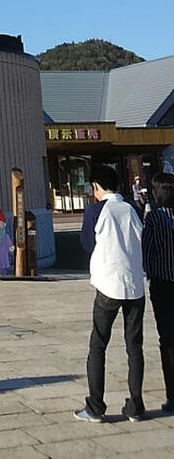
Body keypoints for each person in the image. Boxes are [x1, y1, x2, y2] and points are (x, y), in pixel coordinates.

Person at [74, 163, 146, 423]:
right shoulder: (132, 208)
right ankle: (136, 406)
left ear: (96, 187)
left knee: (98, 345)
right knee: (134, 346)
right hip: (135, 284)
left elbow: (86, 244)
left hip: (108, 285)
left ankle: (95, 406)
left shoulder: (96, 210)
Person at [142, 171, 174, 413]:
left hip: (163, 284)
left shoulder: (154, 219)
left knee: (168, 339)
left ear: (156, 193)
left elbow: (147, 251)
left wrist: (150, 273)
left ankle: (172, 395)